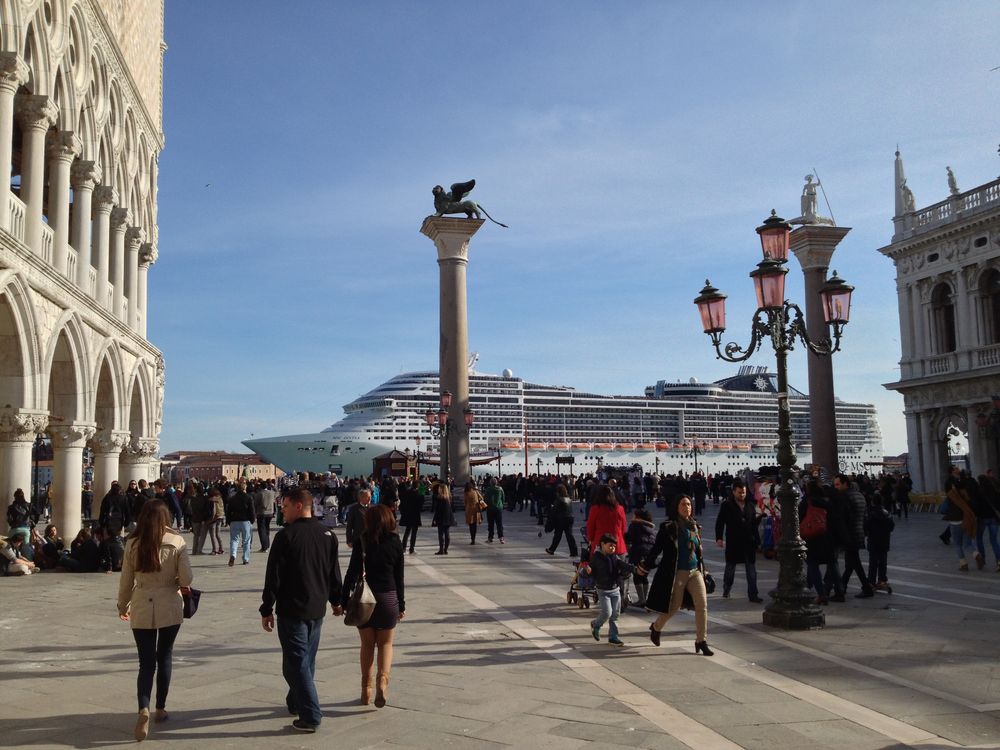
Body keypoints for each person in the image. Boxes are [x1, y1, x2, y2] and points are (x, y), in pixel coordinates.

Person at [260, 486, 343, 733]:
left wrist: (267, 608)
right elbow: (333, 573)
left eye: (285, 507)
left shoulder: (286, 537)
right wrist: (336, 600)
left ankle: (311, 715)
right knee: (306, 659)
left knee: (295, 663)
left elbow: (273, 576)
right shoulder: (328, 534)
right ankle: (296, 701)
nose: (282, 511)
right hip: (317, 608)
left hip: (292, 608)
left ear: (299, 506)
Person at [117, 500, 193, 741]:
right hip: (169, 604)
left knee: (145, 663)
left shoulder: (132, 542)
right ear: (166, 518)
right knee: (165, 656)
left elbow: (126, 580)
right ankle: (160, 707)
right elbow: (187, 578)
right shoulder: (177, 541)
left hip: (141, 603)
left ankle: (143, 708)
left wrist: (122, 605)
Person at [341, 504, 405, 709]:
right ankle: (382, 681)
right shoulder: (395, 542)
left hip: (365, 600)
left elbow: (352, 572)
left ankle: (366, 689)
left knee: (367, 644)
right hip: (388, 598)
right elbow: (399, 577)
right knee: (386, 644)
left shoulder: (363, 540)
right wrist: (401, 604)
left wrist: (343, 599)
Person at [639, 495, 713, 656]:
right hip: (677, 572)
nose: (687, 507)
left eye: (689, 504)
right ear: (676, 507)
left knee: (702, 605)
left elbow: (698, 552)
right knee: (674, 606)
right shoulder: (669, 527)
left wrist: (704, 569)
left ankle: (701, 640)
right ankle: (656, 627)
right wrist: (645, 565)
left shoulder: (694, 526)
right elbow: (656, 548)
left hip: (695, 571)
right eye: (683, 504)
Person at [714, 479, 763, 603]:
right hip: (734, 542)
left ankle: (753, 595)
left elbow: (752, 524)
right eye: (740, 492)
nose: (742, 494)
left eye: (744, 492)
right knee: (730, 569)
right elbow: (720, 522)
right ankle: (727, 588)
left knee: (751, 570)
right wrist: (719, 538)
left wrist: (757, 540)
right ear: (734, 492)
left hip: (748, 542)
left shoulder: (750, 505)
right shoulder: (727, 505)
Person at [583, 533, 633, 646]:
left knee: (615, 614)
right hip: (603, 590)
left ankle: (613, 637)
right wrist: (587, 571)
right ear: (602, 544)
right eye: (610, 545)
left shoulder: (614, 557)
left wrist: (634, 569)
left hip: (615, 589)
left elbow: (623, 565)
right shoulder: (596, 557)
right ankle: (596, 624)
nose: (613, 548)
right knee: (607, 612)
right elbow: (587, 572)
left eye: (614, 546)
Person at [834, 474, 874, 598]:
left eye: (837, 484)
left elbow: (843, 518)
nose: (836, 487)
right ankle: (842, 588)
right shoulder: (859, 495)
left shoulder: (844, 496)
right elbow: (865, 516)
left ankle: (865, 588)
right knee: (851, 562)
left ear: (845, 484)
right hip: (859, 532)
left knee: (854, 563)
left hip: (849, 534)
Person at [625, 509, 656, 606]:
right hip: (650, 554)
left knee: (637, 576)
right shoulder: (650, 527)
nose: (632, 518)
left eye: (634, 516)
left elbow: (629, 538)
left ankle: (641, 600)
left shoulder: (634, 525)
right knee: (644, 576)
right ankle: (644, 599)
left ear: (638, 517)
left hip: (638, 553)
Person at [585, 485, 628, 556]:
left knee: (599, 566)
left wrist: (590, 539)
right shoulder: (620, 509)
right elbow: (624, 528)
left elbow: (590, 527)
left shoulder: (595, 509)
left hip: (600, 544)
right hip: (617, 544)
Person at [865, 494, 895, 593]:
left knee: (873, 562)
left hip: (873, 540)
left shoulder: (870, 513)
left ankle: (871, 582)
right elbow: (891, 526)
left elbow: (866, 526)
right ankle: (882, 580)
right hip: (884, 541)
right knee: (883, 561)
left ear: (873, 502)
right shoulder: (886, 513)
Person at [226, 479, 256, 566]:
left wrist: (229, 521)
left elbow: (228, 511)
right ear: (244, 488)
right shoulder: (248, 498)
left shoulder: (232, 498)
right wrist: (252, 520)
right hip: (245, 521)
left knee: (234, 540)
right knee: (246, 540)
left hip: (234, 521)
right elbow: (252, 511)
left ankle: (233, 555)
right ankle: (246, 559)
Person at [975, 475, 1000, 572]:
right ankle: (999, 561)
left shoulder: (979, 492)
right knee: (994, 540)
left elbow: (976, 506)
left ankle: (983, 559)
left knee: (979, 537)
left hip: (982, 518)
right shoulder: (995, 491)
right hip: (993, 518)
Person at [545, 484, 578, 557]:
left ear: (558, 492)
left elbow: (554, 511)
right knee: (570, 536)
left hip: (561, 520)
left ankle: (551, 549)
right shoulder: (568, 499)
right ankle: (574, 551)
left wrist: (549, 520)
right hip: (570, 518)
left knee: (557, 535)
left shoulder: (559, 500)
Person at [398, 480, 423, 554]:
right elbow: (421, 504)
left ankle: (403, 548)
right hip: (415, 515)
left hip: (408, 514)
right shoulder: (418, 494)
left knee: (407, 531)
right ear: (418, 486)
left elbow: (403, 503)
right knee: (414, 533)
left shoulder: (407, 493)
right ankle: (411, 548)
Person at [254, 480, 278, 552]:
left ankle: (264, 547)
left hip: (262, 513)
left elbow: (256, 503)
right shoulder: (272, 493)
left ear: (260, 486)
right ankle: (267, 545)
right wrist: (273, 486)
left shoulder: (259, 493)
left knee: (261, 530)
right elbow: (278, 492)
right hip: (270, 513)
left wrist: (255, 512)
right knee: (267, 529)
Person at [431, 483, 454, 555]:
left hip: (441, 518)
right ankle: (446, 549)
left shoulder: (440, 498)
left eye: (439, 489)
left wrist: (434, 519)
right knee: (447, 534)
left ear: (441, 490)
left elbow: (437, 511)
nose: (438, 490)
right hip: (448, 518)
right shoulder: (448, 498)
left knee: (441, 534)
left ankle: (441, 549)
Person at [483, 476, 506, 543]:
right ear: (496, 482)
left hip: (490, 508)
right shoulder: (500, 489)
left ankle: (490, 537)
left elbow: (485, 499)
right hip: (498, 508)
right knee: (499, 523)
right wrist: (501, 504)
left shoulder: (488, 490)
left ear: (490, 483)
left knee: (491, 524)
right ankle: (501, 537)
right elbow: (503, 498)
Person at [463, 481, 484, 545]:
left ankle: (472, 539)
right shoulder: (475, 492)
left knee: (471, 525)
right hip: (476, 509)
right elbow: (481, 498)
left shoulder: (466, 493)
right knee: (474, 525)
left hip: (469, 510)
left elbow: (465, 502)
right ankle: (474, 538)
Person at [207, 488, 225, 555]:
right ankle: (221, 548)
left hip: (215, 517)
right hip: (221, 516)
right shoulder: (220, 499)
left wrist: (211, 519)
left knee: (213, 535)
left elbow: (214, 510)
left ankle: (214, 550)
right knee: (218, 534)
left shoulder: (214, 500)